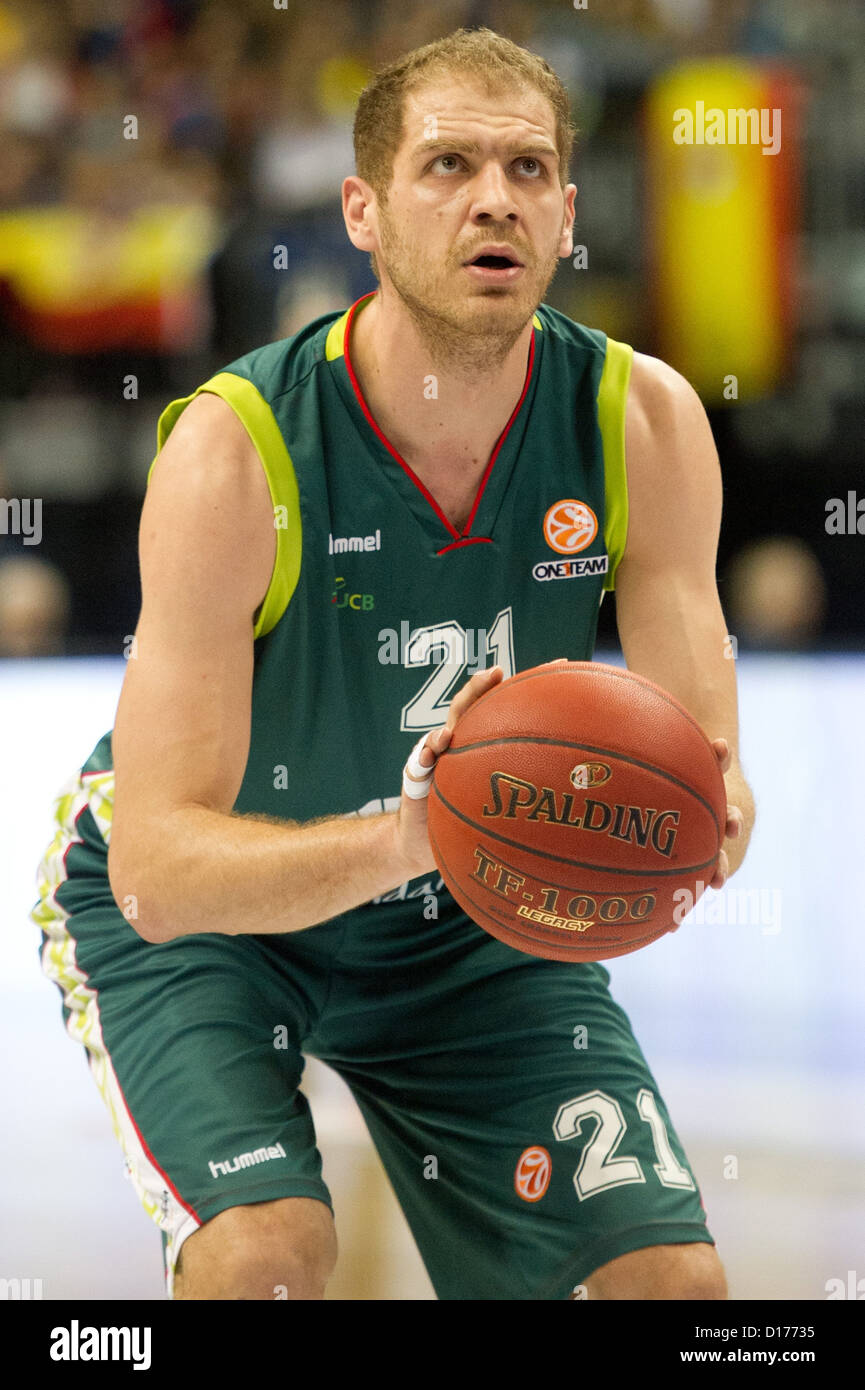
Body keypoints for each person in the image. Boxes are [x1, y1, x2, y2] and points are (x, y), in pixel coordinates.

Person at [30, 27, 754, 1301]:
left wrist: (695, 823)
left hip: (468, 927)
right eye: (449, 164)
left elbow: (708, 783)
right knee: (268, 1261)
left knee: (671, 1288)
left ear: (568, 212)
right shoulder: (234, 449)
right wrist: (410, 835)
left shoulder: (641, 419)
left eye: (529, 170)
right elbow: (156, 873)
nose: (494, 198)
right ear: (361, 209)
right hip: (220, 928)